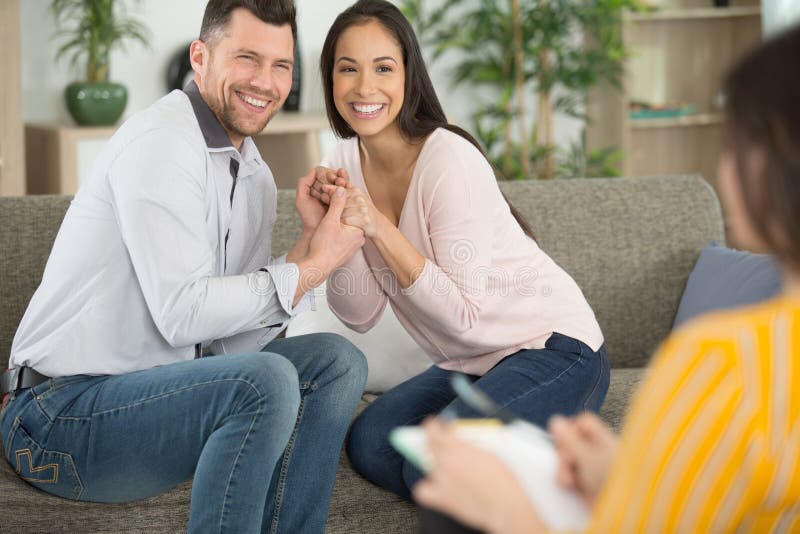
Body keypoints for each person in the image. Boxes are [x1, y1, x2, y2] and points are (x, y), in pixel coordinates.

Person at [413, 23, 800, 534]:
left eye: (731, 144)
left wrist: (513, 515)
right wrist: (627, 475)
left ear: (765, 163)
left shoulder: (727, 361)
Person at [0, 1, 368, 532]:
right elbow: (182, 315)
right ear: (200, 56)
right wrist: (313, 270)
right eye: (247, 58)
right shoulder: (162, 144)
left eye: (281, 65)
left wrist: (309, 247)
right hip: (57, 416)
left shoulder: (256, 176)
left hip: (152, 398)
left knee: (336, 361)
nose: (265, 82)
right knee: (264, 381)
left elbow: (227, 346)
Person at [310, 0, 610, 501]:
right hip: (473, 363)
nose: (364, 87)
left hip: (553, 349)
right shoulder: (342, 159)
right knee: (370, 443)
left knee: (435, 467)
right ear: (330, 79)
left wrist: (377, 225)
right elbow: (359, 313)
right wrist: (327, 225)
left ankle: (529, 488)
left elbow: (464, 316)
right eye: (348, 69)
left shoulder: (447, 159)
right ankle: (507, 475)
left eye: (383, 68)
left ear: (409, 75)